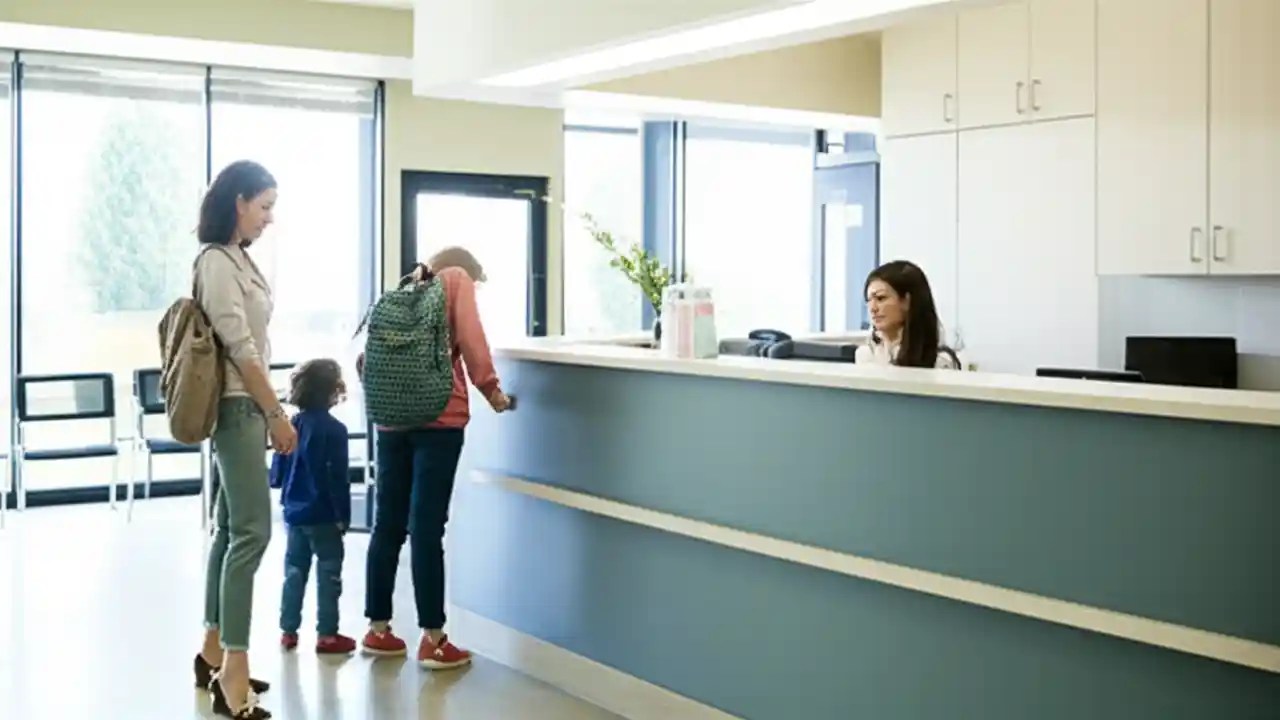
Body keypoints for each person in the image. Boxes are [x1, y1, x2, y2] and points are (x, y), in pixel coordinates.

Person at [359, 247, 512, 670]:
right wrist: (492, 390)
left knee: (387, 523)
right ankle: (434, 639)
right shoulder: (457, 280)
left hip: (392, 419)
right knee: (427, 527)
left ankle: (378, 630)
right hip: (438, 418)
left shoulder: (408, 286)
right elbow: (472, 337)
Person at [192, 160, 296, 720]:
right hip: (239, 408)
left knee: (231, 529)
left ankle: (212, 650)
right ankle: (233, 671)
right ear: (238, 202)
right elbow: (242, 349)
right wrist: (276, 413)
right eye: (264, 206)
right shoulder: (215, 262)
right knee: (253, 534)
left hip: (244, 407)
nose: (270, 218)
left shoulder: (238, 260)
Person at [270, 359, 356, 655]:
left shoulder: (290, 426)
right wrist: (344, 516)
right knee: (329, 572)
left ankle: (288, 631)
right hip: (324, 514)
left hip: (294, 514)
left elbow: (277, 474)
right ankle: (327, 634)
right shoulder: (336, 431)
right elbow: (338, 479)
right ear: (333, 391)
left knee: (294, 571)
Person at [855, 260, 961, 370]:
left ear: (907, 301)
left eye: (881, 298)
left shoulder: (940, 361)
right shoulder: (866, 355)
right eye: (868, 300)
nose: (873, 308)